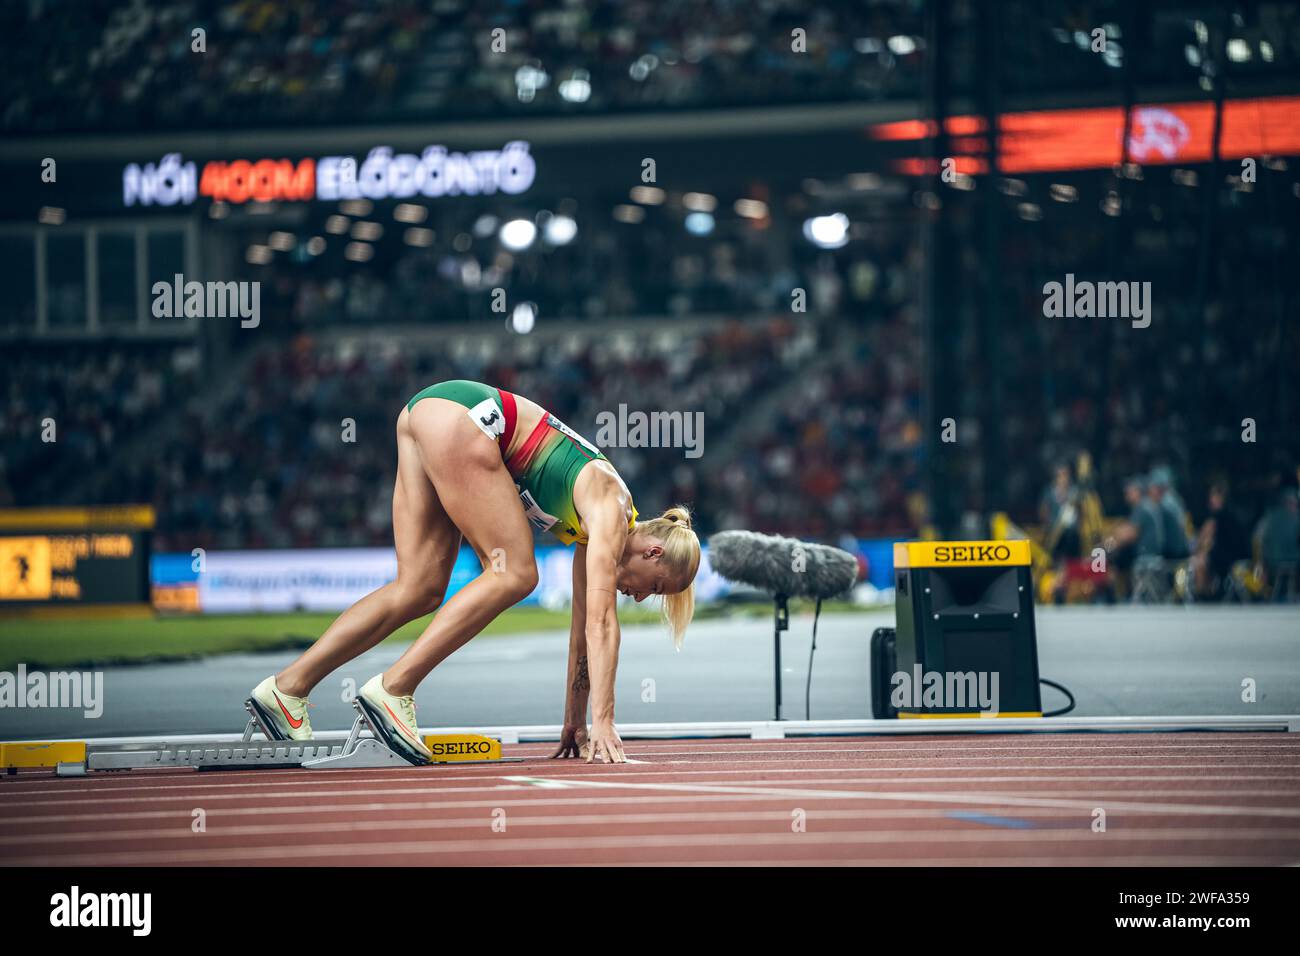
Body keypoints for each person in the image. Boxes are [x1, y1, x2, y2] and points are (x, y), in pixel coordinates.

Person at [247, 380, 702, 765]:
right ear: (654, 551)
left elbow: (583, 629)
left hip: (425, 415)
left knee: (419, 588)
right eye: (656, 587)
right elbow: (604, 624)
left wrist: (574, 721)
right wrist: (605, 722)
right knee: (516, 574)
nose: (641, 597)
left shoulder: (597, 530)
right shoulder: (610, 509)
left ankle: (287, 690)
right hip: (466, 420)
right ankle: (393, 688)